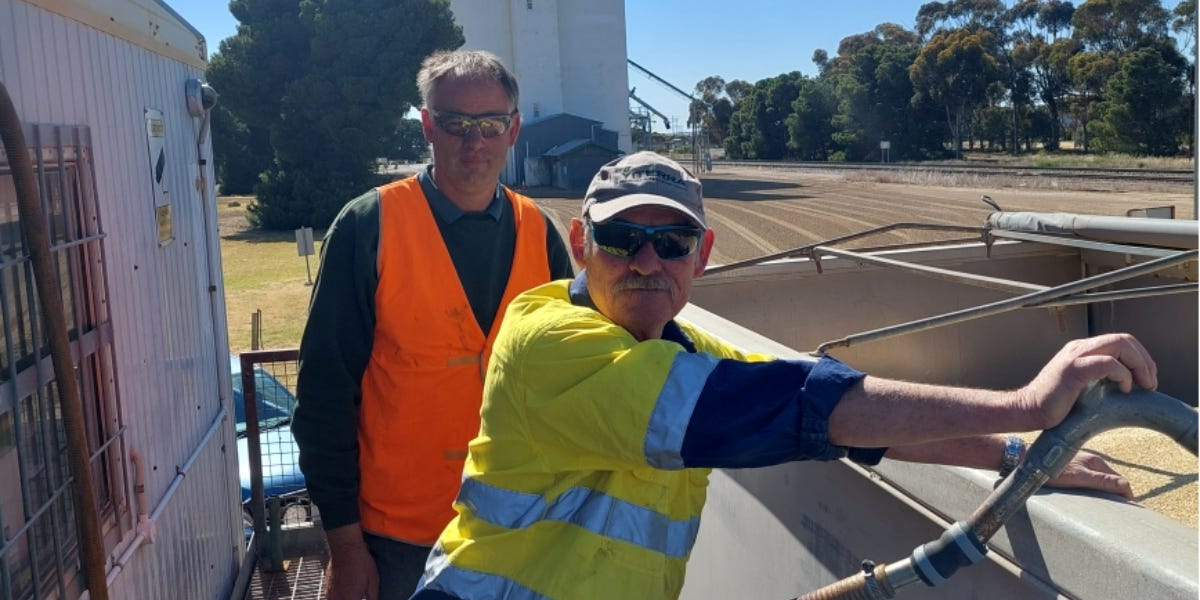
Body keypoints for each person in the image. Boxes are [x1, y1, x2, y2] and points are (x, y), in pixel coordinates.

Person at [409, 151, 1154, 600]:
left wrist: (1012, 455)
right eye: (621, 238)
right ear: (580, 241)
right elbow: (796, 406)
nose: (646, 261)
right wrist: (1025, 403)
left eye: (670, 242)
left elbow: (843, 413)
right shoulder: (547, 343)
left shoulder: (686, 349)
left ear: (703, 256)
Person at [291, 49, 575, 600]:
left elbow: (572, 374)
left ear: (513, 129)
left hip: (517, 530)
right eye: (455, 123)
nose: (475, 140)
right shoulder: (367, 226)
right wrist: (346, 548)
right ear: (426, 125)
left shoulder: (539, 232)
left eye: (491, 123)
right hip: (396, 543)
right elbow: (325, 395)